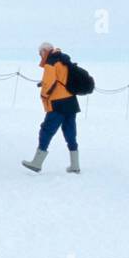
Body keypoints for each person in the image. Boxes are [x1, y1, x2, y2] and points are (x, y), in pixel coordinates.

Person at [22, 42, 80, 174]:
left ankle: (37, 163)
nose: (40, 56)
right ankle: (75, 165)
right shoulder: (63, 60)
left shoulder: (50, 62)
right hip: (71, 101)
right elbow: (61, 78)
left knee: (46, 130)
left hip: (57, 102)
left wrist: (43, 96)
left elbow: (49, 83)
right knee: (70, 132)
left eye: (40, 53)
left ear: (44, 51)